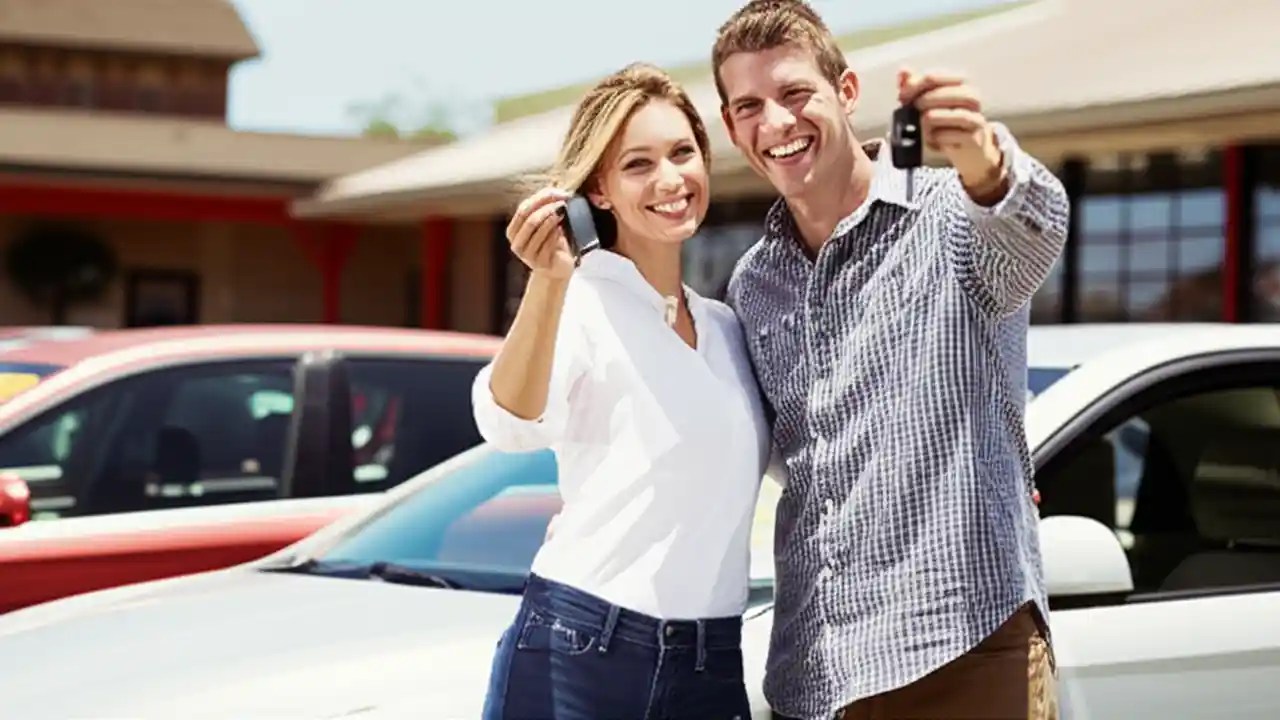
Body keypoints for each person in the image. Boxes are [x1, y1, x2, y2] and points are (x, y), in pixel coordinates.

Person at [712, 1, 1069, 719]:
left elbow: (1031, 228)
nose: (776, 124)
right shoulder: (755, 284)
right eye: (749, 105)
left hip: (961, 652)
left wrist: (986, 161)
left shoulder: (949, 215)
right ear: (731, 127)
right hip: (814, 674)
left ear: (845, 94)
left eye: (794, 94)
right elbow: (798, 454)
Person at [472, 62, 771, 720]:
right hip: (581, 650)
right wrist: (546, 283)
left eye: (682, 153)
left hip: (713, 660)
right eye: (638, 164)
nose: (670, 180)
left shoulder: (725, 328)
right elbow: (509, 422)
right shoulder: (578, 303)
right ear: (599, 191)